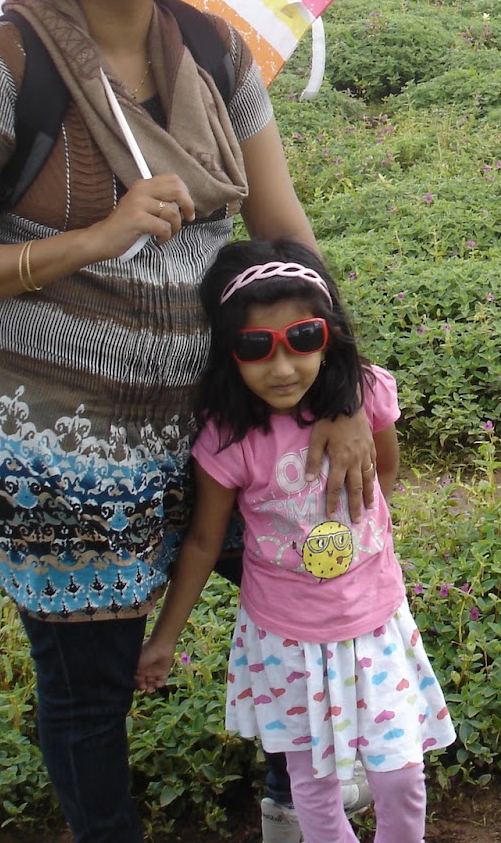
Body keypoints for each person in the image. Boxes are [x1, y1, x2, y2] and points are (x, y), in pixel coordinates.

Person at [0, 0, 376, 843]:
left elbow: (282, 229)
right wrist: (95, 236)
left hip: (222, 415)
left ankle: (291, 805)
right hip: (59, 445)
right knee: (91, 683)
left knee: (304, 610)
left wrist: (340, 382)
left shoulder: (216, 49)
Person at [135, 238, 455, 843]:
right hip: (285, 640)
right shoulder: (229, 439)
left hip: (375, 624)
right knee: (313, 783)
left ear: (328, 335)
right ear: (228, 353)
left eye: (303, 339)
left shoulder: (366, 395)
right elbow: (204, 543)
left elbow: (383, 474)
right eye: (256, 348)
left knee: (401, 776)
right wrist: (164, 638)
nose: (282, 368)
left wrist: (361, 543)